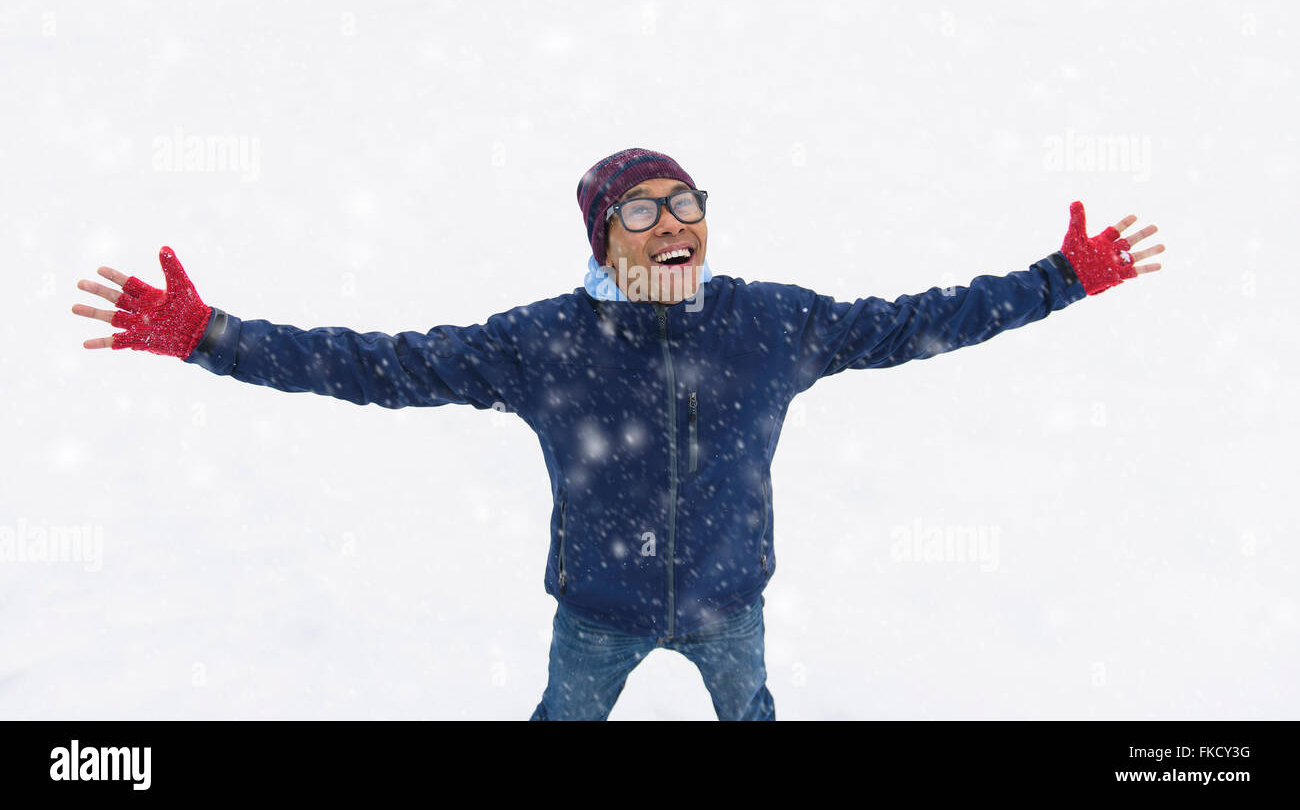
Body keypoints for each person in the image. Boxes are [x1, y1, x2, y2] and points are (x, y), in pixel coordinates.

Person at [72, 147, 1165, 720]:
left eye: (687, 201)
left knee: (751, 711)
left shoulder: (775, 324)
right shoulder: (542, 344)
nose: (674, 223)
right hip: (595, 609)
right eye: (642, 209)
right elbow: (375, 364)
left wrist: (1058, 280)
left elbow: (926, 321)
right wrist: (211, 336)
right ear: (604, 236)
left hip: (734, 599)